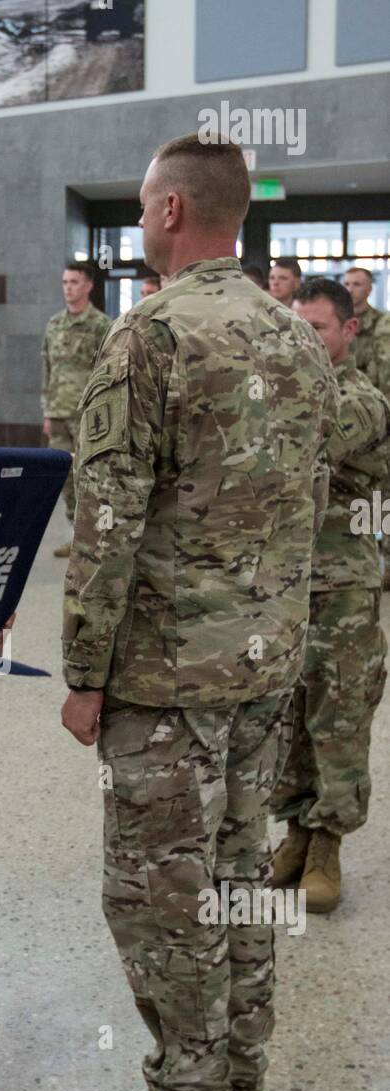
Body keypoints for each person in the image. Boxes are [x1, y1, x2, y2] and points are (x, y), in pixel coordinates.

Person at [60, 134, 339, 1091]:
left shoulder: (150, 338)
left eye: (141, 207)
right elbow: (309, 506)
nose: (138, 223)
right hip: (265, 669)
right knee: (237, 884)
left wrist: (83, 673)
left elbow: (106, 521)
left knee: (159, 894)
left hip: (167, 679)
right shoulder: (295, 338)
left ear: (171, 211)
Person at [272, 279, 390, 911]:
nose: (305, 339)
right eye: (297, 327)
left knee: (337, 718)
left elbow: (301, 446)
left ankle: (327, 850)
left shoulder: (362, 399)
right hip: (288, 588)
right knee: (289, 716)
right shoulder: (289, 391)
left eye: (316, 328)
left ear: (348, 331)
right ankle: (293, 836)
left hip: (343, 591)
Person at [41, 262, 112, 556]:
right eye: (65, 282)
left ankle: (97, 537)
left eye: (74, 282)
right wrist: (46, 410)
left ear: (88, 286)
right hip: (58, 412)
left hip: (87, 415)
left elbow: (108, 371)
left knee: (91, 476)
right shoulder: (54, 324)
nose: (68, 287)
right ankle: (76, 535)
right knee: (64, 478)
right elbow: (47, 368)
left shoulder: (101, 325)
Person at [343, 266, 390, 402]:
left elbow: (386, 371)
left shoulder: (382, 323)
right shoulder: (335, 322)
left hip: (373, 398)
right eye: (347, 284)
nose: (350, 289)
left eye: (356, 284)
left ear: (369, 289)